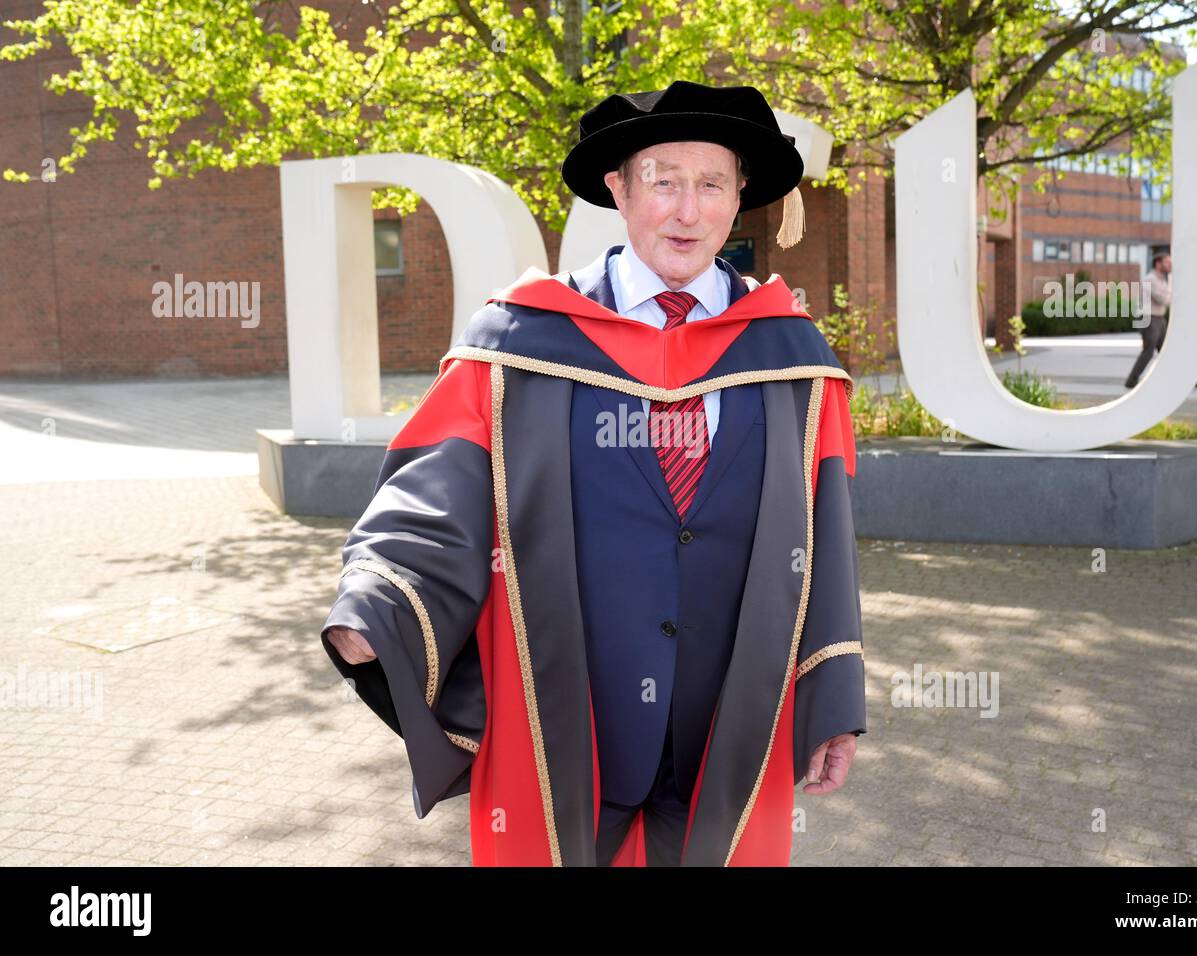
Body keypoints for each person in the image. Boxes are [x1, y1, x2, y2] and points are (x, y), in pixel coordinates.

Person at [318, 79, 867, 867]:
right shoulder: (518, 343)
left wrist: (833, 701)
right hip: (562, 708)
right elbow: (434, 492)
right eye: (664, 181)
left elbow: (827, 541)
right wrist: (375, 600)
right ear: (618, 188)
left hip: (732, 714)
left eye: (711, 184)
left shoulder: (791, 358)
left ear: (740, 194)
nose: (688, 210)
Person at [1125, 250, 1171, 388]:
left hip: (1158, 318)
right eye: (1167, 262)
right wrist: (1170, 295)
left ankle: (1165, 379)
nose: (1170, 265)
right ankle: (1131, 380)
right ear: (1158, 264)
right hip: (1148, 318)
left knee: (1165, 350)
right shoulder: (1150, 279)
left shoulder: (1162, 280)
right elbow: (1163, 299)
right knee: (1148, 351)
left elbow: (1166, 298)